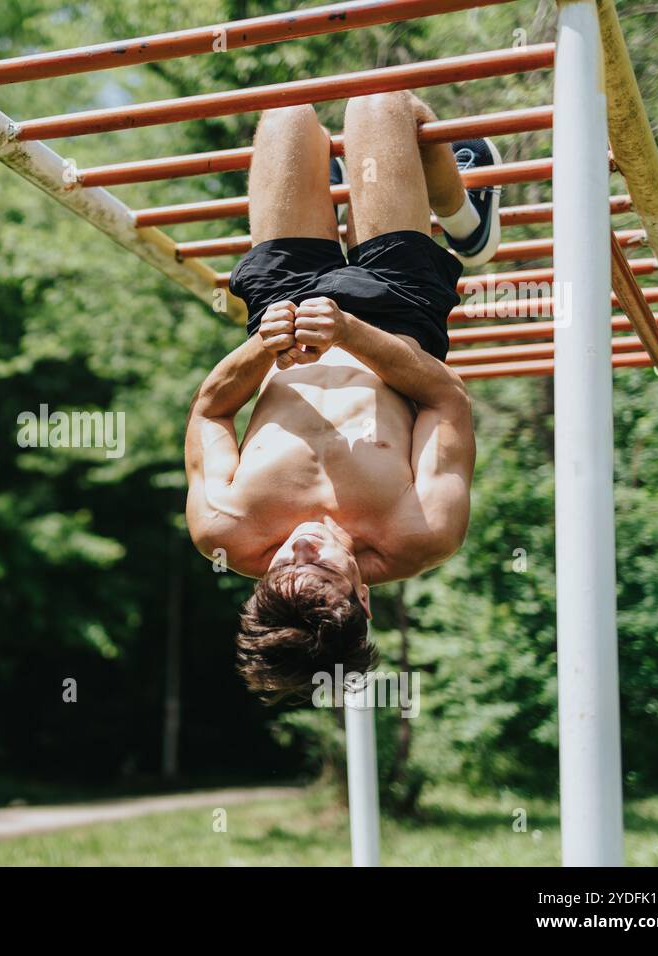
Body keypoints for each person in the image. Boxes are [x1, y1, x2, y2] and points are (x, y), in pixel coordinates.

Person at [184, 90, 496, 703]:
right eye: (322, 566)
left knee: (288, 115)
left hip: (284, 310)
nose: (300, 547)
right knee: (381, 107)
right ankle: (467, 220)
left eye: (283, 567)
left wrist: (265, 347)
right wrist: (351, 331)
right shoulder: (422, 530)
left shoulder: (224, 528)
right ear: (365, 599)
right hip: (396, 308)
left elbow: (210, 411)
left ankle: (332, 181)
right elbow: (448, 401)